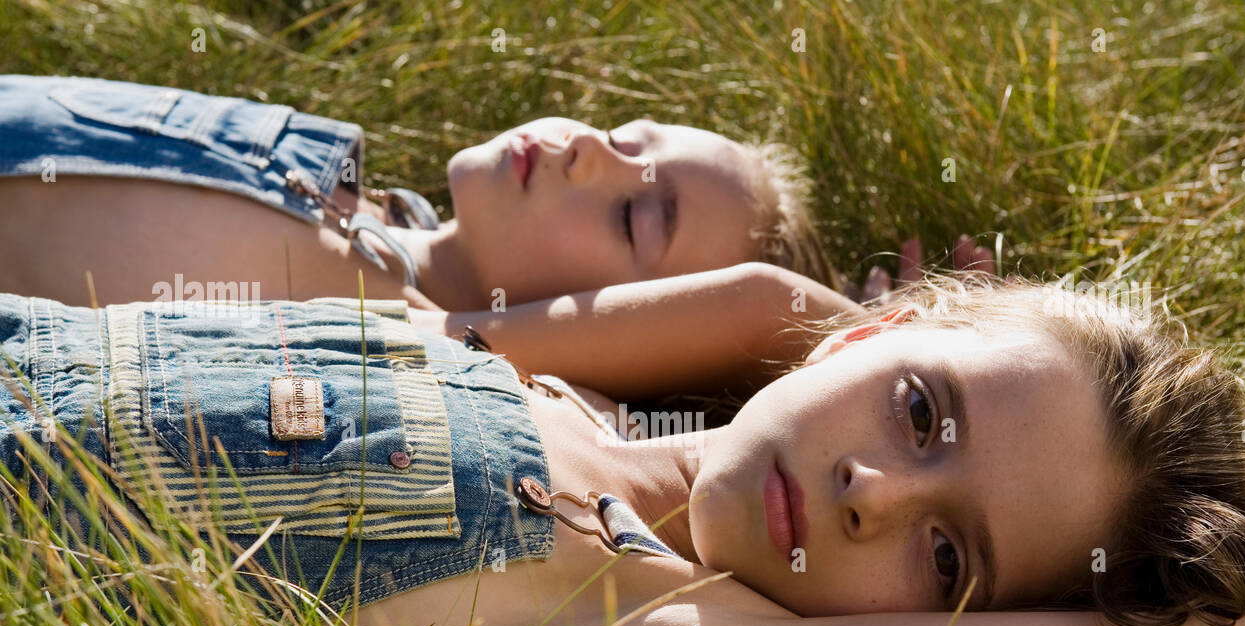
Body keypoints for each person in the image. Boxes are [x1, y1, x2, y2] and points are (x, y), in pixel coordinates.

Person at [1, 275, 1245, 626]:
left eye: (946, 555)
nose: (875, 494)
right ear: (879, 326)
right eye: (918, 411)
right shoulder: (549, 386)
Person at [1, 74, 912, 401]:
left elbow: (752, 313)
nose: (588, 149)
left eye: (637, 216)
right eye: (628, 137)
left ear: (630, 322)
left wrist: (871, 342)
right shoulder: (355, 197)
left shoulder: (397, 334)